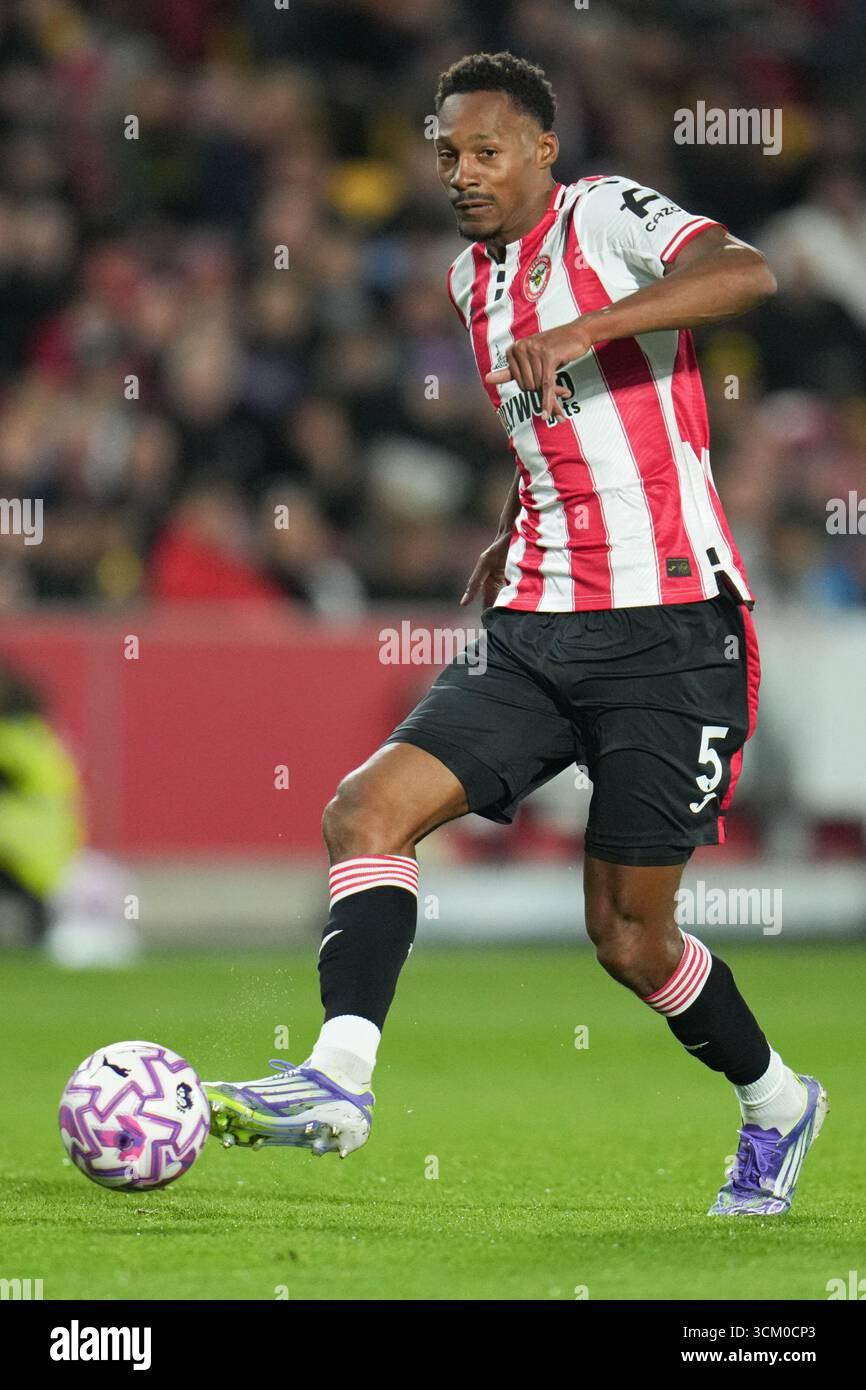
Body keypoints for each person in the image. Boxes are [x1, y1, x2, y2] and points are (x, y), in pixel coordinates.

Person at [206, 52, 827, 1216]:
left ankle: (776, 1101)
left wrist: (593, 326)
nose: (463, 172)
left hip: (670, 627)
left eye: (486, 150)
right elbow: (544, 431)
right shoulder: (468, 281)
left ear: (543, 149)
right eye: (446, 153)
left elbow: (746, 274)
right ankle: (338, 1079)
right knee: (362, 810)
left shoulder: (607, 215)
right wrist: (509, 524)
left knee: (630, 940)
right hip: (540, 617)